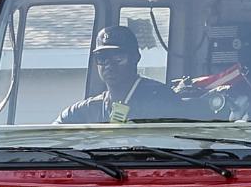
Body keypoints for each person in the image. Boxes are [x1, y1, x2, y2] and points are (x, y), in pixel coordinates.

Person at [56, 24, 185, 124]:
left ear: (136, 58)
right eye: (102, 58)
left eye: (118, 57)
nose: (109, 64)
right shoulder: (87, 110)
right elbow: (50, 140)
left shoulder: (163, 100)